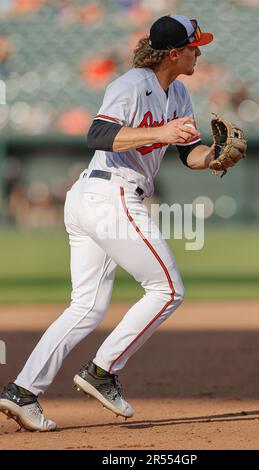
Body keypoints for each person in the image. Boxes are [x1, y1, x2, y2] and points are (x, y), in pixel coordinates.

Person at [0, 14, 215, 432]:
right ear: (174, 53)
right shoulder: (131, 85)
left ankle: (22, 392)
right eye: (193, 47)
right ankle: (102, 371)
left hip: (102, 198)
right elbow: (98, 135)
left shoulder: (181, 93)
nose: (199, 53)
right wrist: (161, 133)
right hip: (108, 194)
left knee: (86, 306)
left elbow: (187, 153)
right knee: (167, 290)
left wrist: (214, 158)